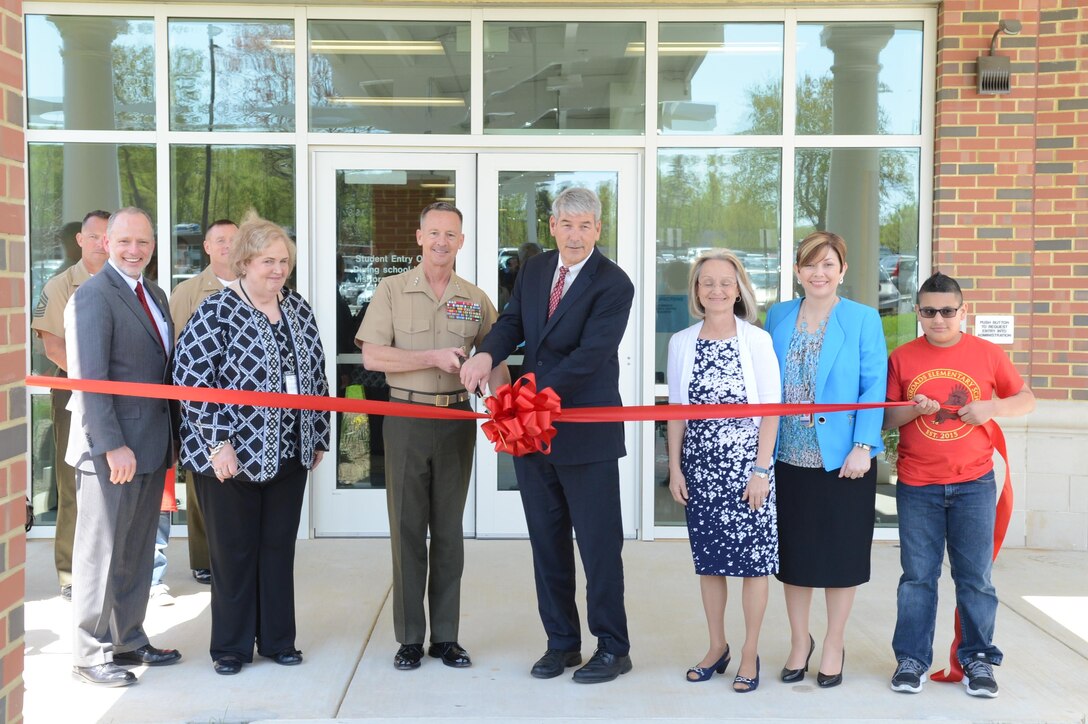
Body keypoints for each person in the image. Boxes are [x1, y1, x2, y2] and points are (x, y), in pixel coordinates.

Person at [461, 187, 635, 684]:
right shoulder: (536, 271)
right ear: (553, 226)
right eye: (567, 224)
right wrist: (486, 355)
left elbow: (590, 356)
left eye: (585, 225)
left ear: (598, 230)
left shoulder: (614, 283)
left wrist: (525, 394)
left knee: (599, 546)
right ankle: (562, 642)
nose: (575, 234)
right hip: (532, 437)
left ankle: (613, 647)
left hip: (584, 434)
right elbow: (512, 322)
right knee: (547, 542)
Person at [173, 212, 329, 676]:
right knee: (234, 555)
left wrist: (317, 432)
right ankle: (231, 647)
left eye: (283, 261)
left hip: (289, 451)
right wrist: (217, 443)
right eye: (267, 261)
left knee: (278, 550)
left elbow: (314, 374)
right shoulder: (216, 310)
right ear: (243, 262)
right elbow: (191, 381)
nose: (278, 270)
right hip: (231, 458)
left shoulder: (297, 307)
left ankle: (279, 640)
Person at [357, 201, 507, 672]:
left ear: (462, 242)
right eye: (434, 233)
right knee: (406, 530)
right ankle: (409, 638)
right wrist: (432, 358)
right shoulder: (392, 290)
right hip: (406, 418)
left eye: (451, 234)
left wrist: (503, 406)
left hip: (458, 421)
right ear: (419, 238)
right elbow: (373, 358)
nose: (442, 241)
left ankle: (446, 637)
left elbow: (496, 357)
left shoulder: (475, 297)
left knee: (448, 532)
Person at [884, 272, 1034, 698]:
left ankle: (978, 660)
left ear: (963, 312)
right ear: (918, 312)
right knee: (917, 578)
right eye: (929, 311)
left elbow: (1027, 399)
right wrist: (912, 410)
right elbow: (885, 418)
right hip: (918, 484)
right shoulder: (903, 358)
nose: (938, 319)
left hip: (973, 484)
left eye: (948, 311)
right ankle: (911, 659)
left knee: (976, 578)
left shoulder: (986, 354)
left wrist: (991, 407)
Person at [64, 207, 181, 687]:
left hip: (152, 445)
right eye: (126, 241)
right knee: (100, 550)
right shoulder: (93, 296)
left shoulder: (154, 294)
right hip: (111, 450)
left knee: (134, 549)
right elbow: (91, 379)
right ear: (106, 242)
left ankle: (128, 637)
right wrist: (111, 445)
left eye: (144, 243)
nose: (135, 251)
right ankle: (88, 653)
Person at [764, 230, 886, 688]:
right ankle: (800, 641)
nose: (819, 273)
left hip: (843, 460)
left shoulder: (861, 319)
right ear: (797, 271)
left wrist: (863, 444)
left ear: (842, 271)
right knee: (794, 557)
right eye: (810, 264)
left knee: (839, 556)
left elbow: (874, 386)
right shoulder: (778, 315)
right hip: (787, 458)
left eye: (828, 264)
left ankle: (833, 642)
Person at [666, 250, 781, 692]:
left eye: (725, 282)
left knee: (754, 565)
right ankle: (718, 646)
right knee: (710, 565)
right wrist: (675, 468)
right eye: (707, 282)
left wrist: (761, 470)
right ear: (696, 290)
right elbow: (677, 411)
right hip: (702, 469)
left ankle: (750, 652)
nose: (717, 289)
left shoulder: (756, 341)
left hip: (748, 469)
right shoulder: (681, 342)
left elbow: (772, 411)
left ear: (739, 289)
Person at [30, 209, 111, 601]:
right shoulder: (62, 284)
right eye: (94, 237)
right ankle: (70, 573)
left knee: (117, 479)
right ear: (80, 240)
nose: (101, 244)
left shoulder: (127, 283)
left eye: (107, 237)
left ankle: (111, 567)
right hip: (74, 390)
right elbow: (52, 345)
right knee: (72, 480)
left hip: (123, 392)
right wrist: (93, 378)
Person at [169, 218, 239, 586]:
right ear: (207, 247)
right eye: (220, 240)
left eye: (235, 239)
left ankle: (234, 555)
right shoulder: (189, 291)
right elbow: (176, 352)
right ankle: (204, 559)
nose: (228, 245)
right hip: (201, 406)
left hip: (244, 412)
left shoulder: (255, 285)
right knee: (202, 486)